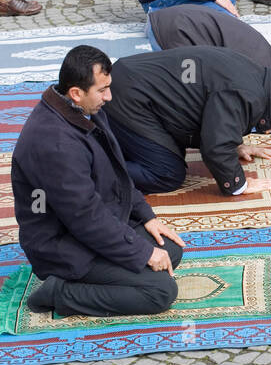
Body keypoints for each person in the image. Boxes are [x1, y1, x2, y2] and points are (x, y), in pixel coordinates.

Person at [12, 45, 185, 318]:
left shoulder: (84, 111)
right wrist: (141, 253)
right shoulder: (54, 144)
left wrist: (146, 216)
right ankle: (61, 292)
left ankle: (108, 273)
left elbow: (119, 173)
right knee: (160, 291)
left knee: (169, 249)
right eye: (102, 90)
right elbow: (85, 218)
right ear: (76, 93)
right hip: (61, 245)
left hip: (92, 224)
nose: (109, 96)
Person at [101, 46, 271, 196]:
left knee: (166, 155)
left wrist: (235, 143)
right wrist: (238, 184)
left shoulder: (257, 80)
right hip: (129, 97)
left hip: (133, 83)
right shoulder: (247, 96)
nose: (267, 131)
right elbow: (215, 146)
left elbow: (216, 113)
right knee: (167, 173)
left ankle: (108, 142)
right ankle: (91, 167)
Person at [146, 3, 271, 93]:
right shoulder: (259, 69)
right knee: (188, 88)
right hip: (172, 30)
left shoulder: (266, 57)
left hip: (169, 20)